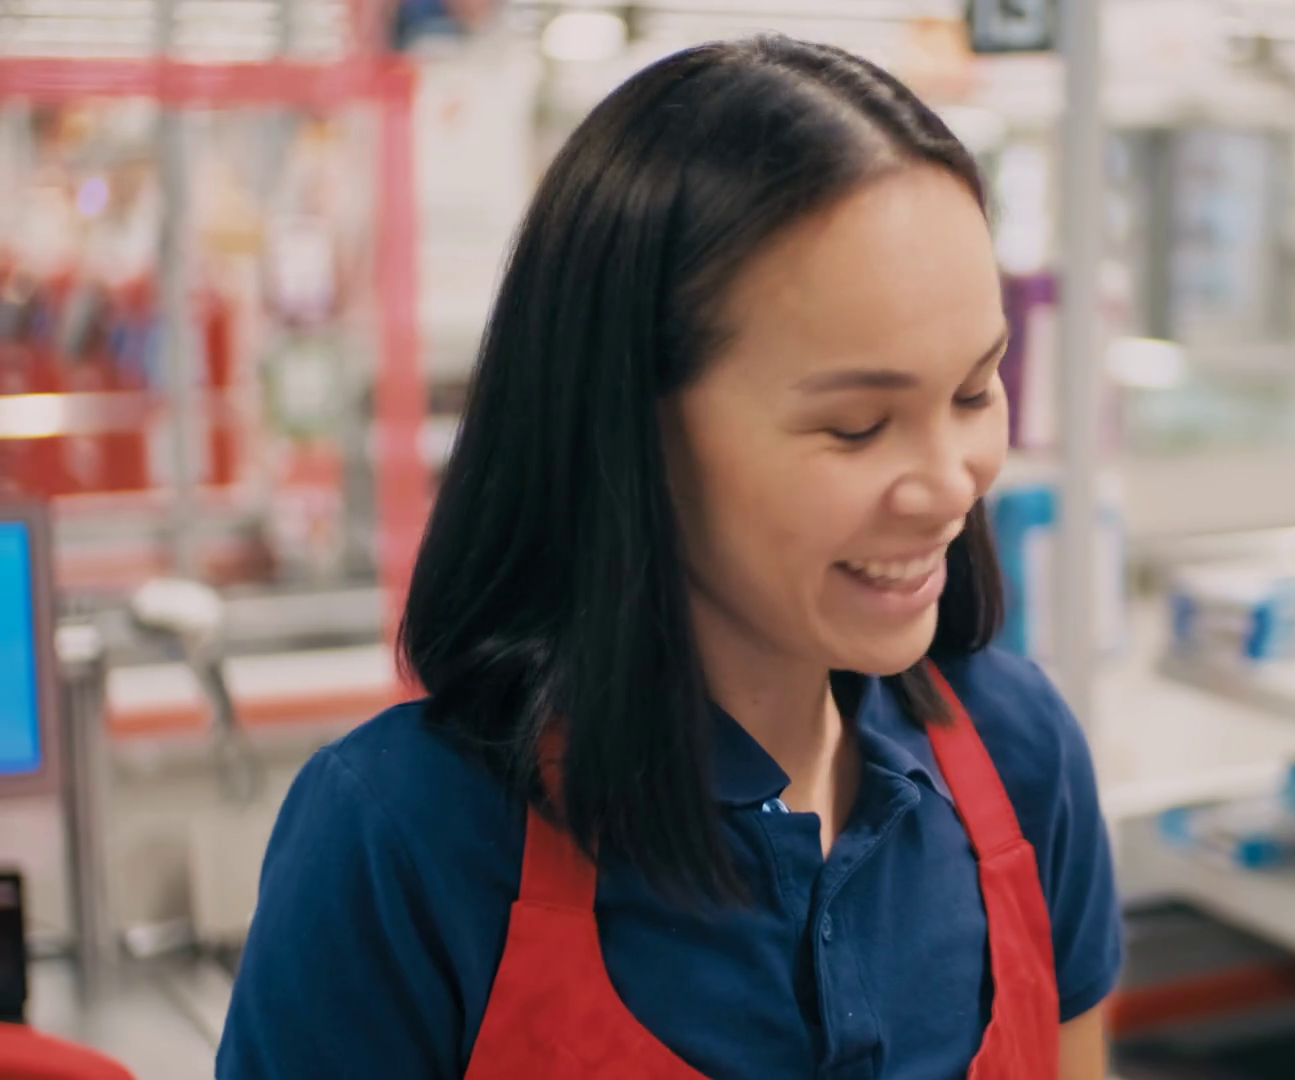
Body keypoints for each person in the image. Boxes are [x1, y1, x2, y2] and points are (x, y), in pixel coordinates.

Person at [217, 35, 1123, 1080]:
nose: (952, 483)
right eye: (857, 426)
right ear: (633, 430)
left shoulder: (1020, 760)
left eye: (973, 393)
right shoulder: (406, 842)